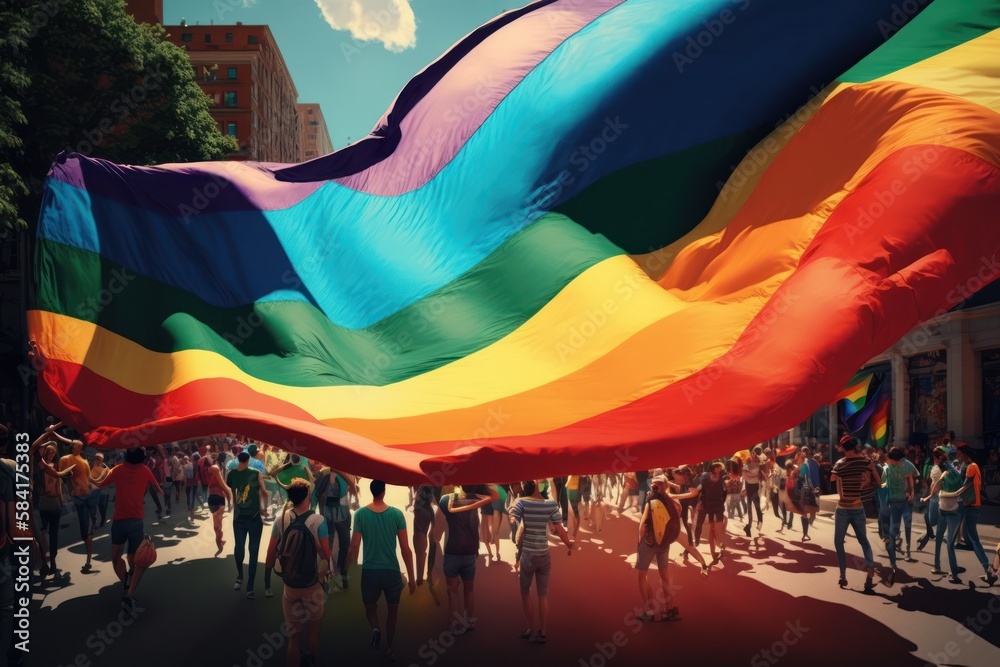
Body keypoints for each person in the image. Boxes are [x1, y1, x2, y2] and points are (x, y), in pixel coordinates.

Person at [265, 478, 331, 667]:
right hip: (312, 586)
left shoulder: (280, 519)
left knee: (293, 640)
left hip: (290, 587)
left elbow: (270, 554)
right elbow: (326, 554)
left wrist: (268, 581)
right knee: (313, 636)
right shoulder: (318, 520)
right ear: (308, 495)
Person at [347, 480, 416, 663]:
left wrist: (344, 569)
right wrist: (412, 577)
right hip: (392, 572)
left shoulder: (361, 514)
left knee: (370, 609)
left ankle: (375, 629)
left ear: (371, 492)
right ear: (384, 492)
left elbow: (354, 545)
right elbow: (405, 549)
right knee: (393, 613)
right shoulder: (396, 514)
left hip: (370, 572)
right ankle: (390, 647)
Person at [508, 479, 573, 644]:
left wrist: (515, 509)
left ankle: (530, 629)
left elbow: (512, 517)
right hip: (544, 555)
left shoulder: (521, 502)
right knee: (543, 595)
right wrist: (568, 545)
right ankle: (542, 632)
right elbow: (559, 529)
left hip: (528, 555)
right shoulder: (550, 504)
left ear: (524, 486)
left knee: (525, 592)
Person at [99, 447, 162, 609]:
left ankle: (127, 586)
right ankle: (129, 591)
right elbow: (157, 487)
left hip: (120, 521)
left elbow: (99, 484)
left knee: (117, 557)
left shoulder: (118, 469)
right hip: (135, 522)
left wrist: (97, 472)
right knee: (137, 559)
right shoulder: (145, 469)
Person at [439, 485, 497, 635]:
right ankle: (469, 622)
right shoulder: (475, 499)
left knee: (452, 591)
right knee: (469, 590)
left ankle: (454, 624)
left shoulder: (446, 500)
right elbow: (495, 494)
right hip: (469, 553)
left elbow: (437, 530)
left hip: (452, 552)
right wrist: (482, 485)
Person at [830, 436, 880, 593]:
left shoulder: (840, 463)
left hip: (842, 508)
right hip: (858, 507)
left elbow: (833, 478)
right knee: (863, 541)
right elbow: (878, 482)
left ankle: (843, 575)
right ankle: (870, 570)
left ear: (844, 449)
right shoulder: (865, 461)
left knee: (838, 542)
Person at [636, 475, 686, 622]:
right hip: (665, 543)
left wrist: (640, 544)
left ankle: (648, 611)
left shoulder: (651, 501)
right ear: (665, 485)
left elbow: (641, 526)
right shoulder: (672, 501)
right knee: (665, 575)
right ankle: (669, 610)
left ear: (654, 486)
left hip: (650, 542)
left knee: (642, 576)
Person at [944, 444, 995, 584]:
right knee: (970, 537)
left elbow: (964, 486)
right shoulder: (973, 466)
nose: (958, 456)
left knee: (972, 539)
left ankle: (988, 569)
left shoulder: (971, 467)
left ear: (965, 454)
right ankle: (988, 569)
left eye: (960, 453)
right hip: (973, 506)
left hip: (971, 506)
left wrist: (952, 493)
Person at [55, 433, 100, 573]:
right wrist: (64, 494)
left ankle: (88, 560)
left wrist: (101, 482)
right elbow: (60, 476)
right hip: (79, 498)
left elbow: (89, 479)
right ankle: (88, 559)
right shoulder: (66, 459)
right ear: (72, 446)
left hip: (90, 495)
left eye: (80, 445)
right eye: (76, 444)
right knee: (85, 530)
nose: (78, 446)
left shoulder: (84, 460)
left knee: (89, 529)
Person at [227, 451, 269, 599]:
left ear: (238, 460)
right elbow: (264, 493)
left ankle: (239, 577)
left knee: (239, 548)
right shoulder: (256, 473)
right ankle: (250, 587)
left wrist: (230, 504)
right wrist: (264, 508)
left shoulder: (230, 474)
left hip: (238, 517)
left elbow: (230, 490)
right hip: (254, 517)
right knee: (254, 551)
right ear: (249, 460)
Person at [923, 446, 964, 583]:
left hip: (943, 507)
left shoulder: (936, 470)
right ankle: (954, 573)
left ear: (935, 458)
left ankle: (937, 565)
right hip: (957, 507)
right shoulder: (953, 467)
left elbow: (934, 491)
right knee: (950, 543)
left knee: (939, 537)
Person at [35, 442, 73, 578]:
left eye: (53, 453)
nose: (51, 455)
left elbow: (60, 484)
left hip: (56, 502)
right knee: (43, 533)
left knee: (54, 534)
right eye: (49, 453)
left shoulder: (56, 467)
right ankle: (45, 561)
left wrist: (62, 501)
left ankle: (53, 562)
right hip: (45, 502)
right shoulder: (41, 466)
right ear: (45, 453)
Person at [316, 468, 357, 591]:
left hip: (332, 515)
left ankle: (330, 576)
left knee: (331, 545)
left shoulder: (324, 473)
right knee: (340, 546)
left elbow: (316, 495)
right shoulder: (344, 474)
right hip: (339, 516)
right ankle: (335, 576)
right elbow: (353, 490)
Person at [881, 446, 917, 579]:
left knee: (903, 527)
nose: (887, 460)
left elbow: (910, 481)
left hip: (901, 502)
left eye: (888, 458)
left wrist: (911, 493)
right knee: (894, 531)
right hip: (896, 502)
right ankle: (894, 561)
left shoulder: (905, 466)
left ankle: (903, 554)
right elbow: (909, 480)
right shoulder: (889, 468)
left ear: (892, 459)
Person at [696, 462, 729, 563]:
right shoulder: (705, 476)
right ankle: (706, 547)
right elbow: (699, 489)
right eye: (719, 467)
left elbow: (725, 492)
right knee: (705, 526)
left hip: (717, 505)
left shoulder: (723, 477)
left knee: (715, 527)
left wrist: (722, 502)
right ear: (714, 468)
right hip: (706, 504)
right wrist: (697, 503)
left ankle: (716, 547)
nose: (720, 469)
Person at [411, 485, 441, 586]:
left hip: (427, 499)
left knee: (424, 539)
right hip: (434, 499)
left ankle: (421, 579)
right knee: (432, 539)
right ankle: (427, 576)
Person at [206, 452, 233, 556]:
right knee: (218, 527)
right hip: (218, 499)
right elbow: (224, 486)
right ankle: (219, 543)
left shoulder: (210, 470)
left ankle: (219, 542)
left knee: (217, 526)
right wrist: (230, 501)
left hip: (212, 499)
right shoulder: (216, 470)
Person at [742, 448, 764, 537]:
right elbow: (744, 475)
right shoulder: (747, 464)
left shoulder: (759, 462)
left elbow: (761, 471)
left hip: (755, 487)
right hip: (749, 487)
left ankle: (758, 523)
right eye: (754, 454)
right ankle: (748, 527)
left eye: (757, 454)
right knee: (750, 509)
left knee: (757, 507)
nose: (755, 455)